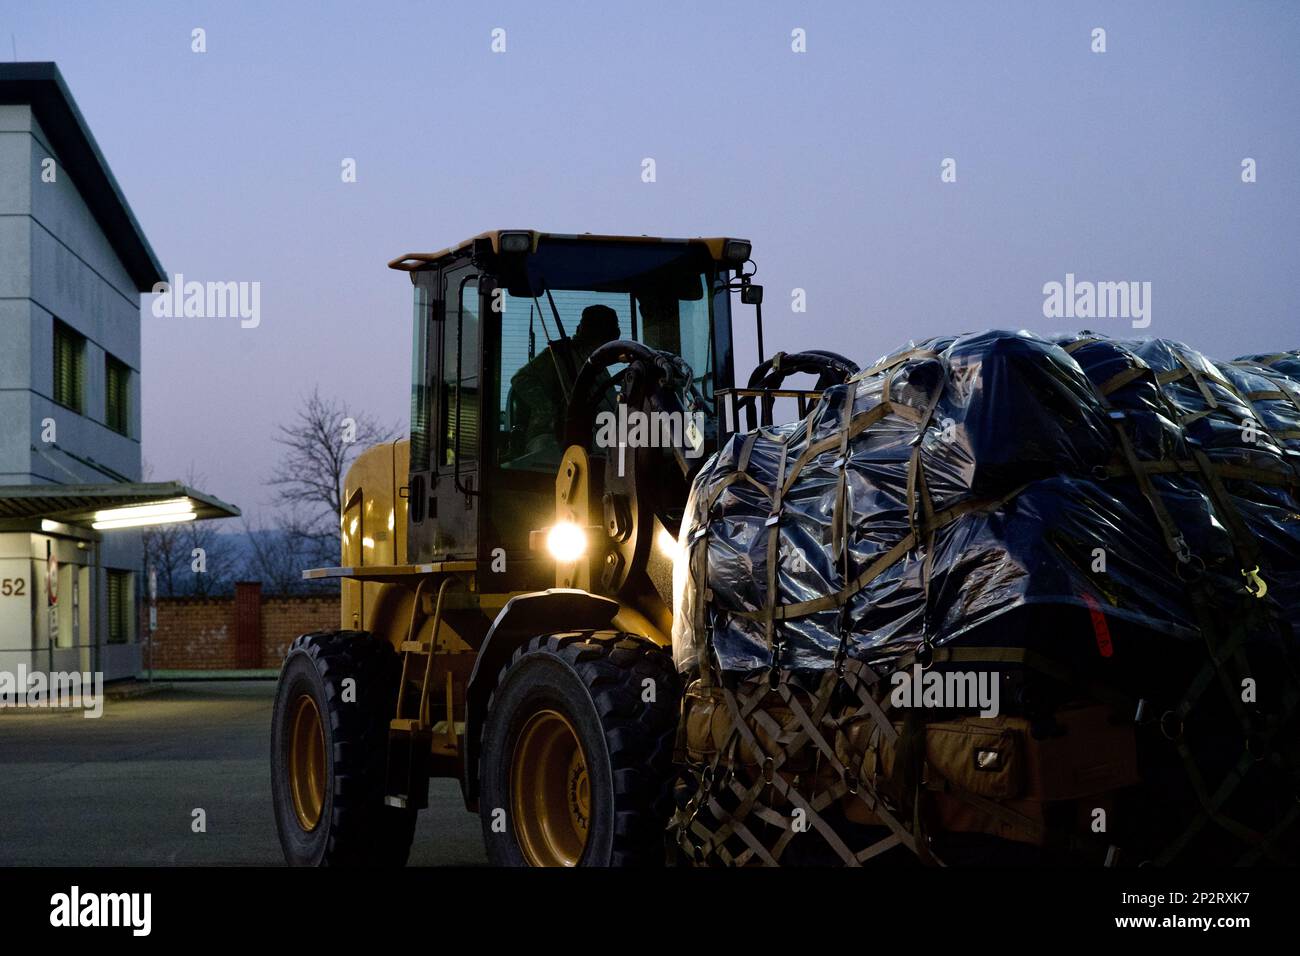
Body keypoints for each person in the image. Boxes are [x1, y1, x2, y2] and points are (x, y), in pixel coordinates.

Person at [509, 304, 621, 459]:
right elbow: (521, 380)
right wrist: (553, 410)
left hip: (594, 438)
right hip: (553, 436)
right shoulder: (560, 355)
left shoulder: (599, 364)